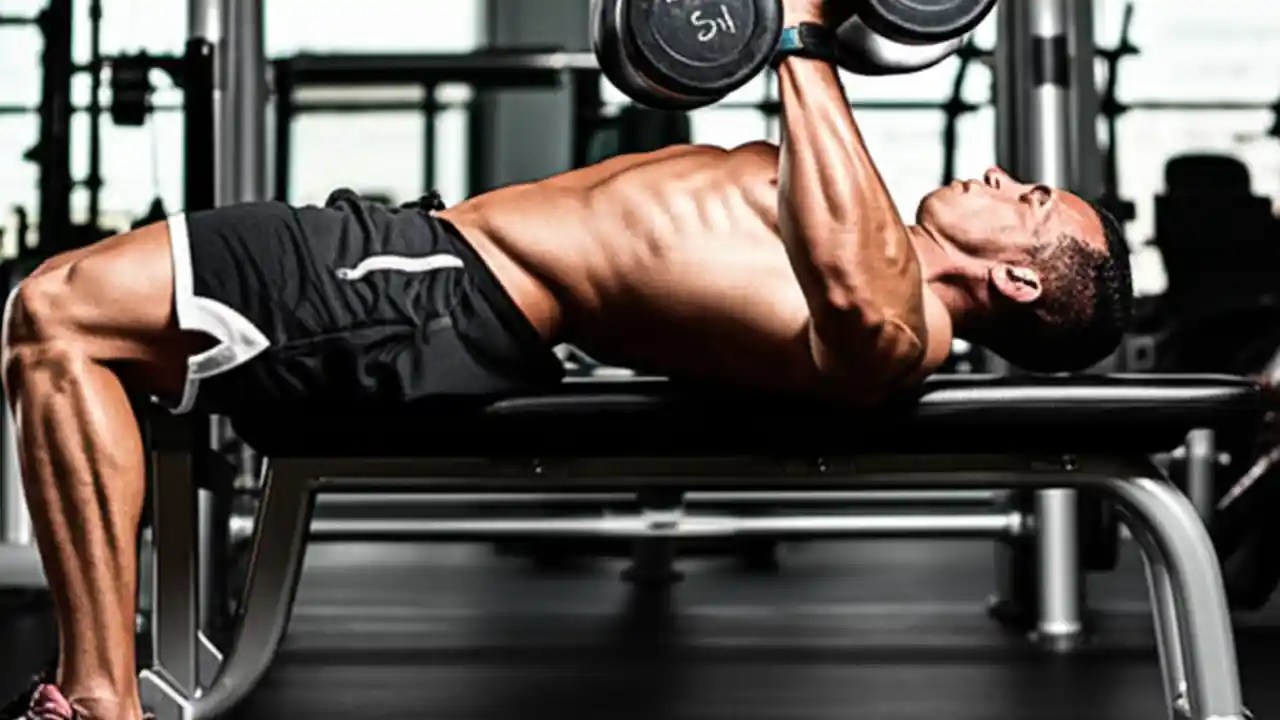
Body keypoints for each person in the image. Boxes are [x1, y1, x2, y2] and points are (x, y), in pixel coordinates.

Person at [0, 1, 1132, 718]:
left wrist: (796, 30)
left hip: (434, 291)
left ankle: (101, 698)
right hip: (420, 263)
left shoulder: (897, 331)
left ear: (1019, 283)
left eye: (1026, 202)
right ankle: (106, 685)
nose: (997, 176)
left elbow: (856, 299)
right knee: (78, 329)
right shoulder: (863, 228)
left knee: (58, 311)